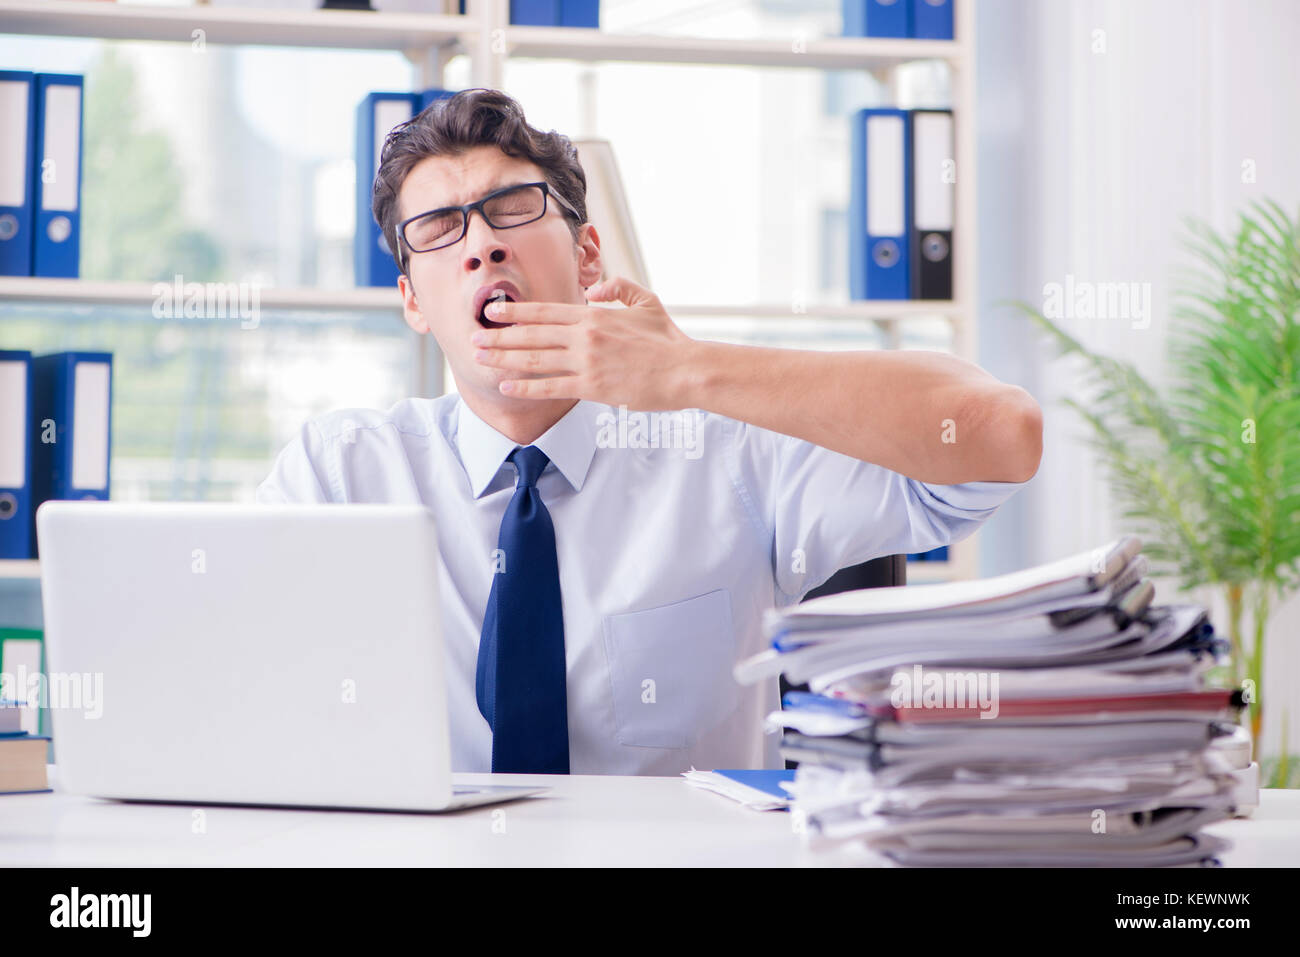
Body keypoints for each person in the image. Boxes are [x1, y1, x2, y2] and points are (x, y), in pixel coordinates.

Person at [256, 88, 1042, 776]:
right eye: (438, 228)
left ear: (587, 256)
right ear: (413, 302)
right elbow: (225, 681)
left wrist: (688, 370)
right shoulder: (342, 477)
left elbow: (1002, 433)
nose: (480, 244)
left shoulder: (727, 444)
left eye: (513, 207)